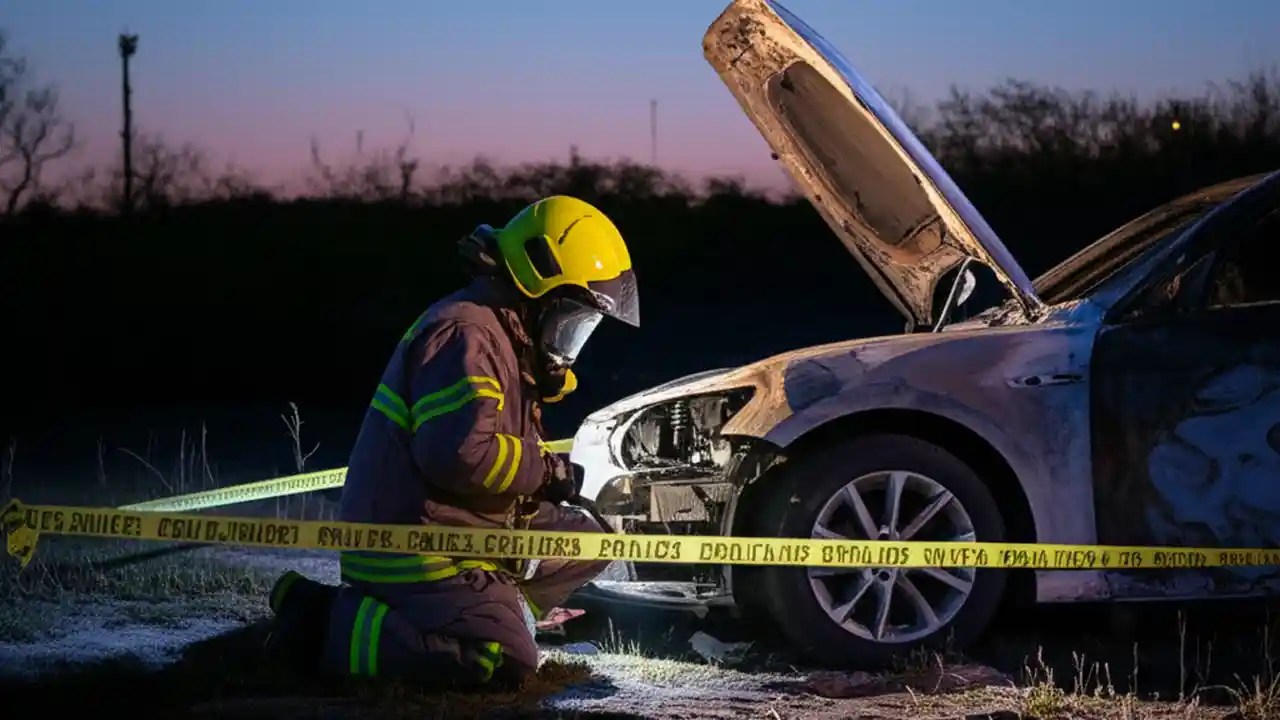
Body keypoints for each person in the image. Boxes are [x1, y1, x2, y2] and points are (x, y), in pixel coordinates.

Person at [264, 194, 639, 688]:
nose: (571, 340)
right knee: (500, 662)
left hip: (466, 524)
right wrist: (549, 472)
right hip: (409, 541)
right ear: (538, 293)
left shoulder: (506, 338)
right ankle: (320, 620)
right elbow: (462, 456)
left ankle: (491, 608)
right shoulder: (465, 334)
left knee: (591, 542)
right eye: (572, 320)